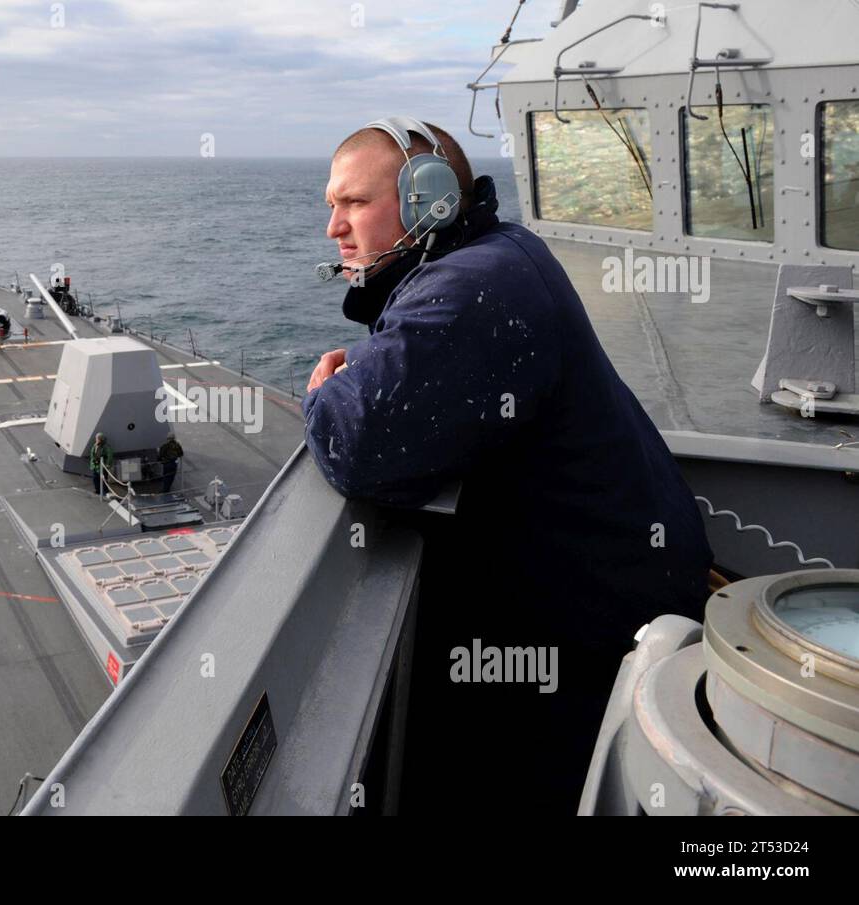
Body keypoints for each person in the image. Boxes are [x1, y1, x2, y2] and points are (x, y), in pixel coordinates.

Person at [304, 116, 714, 813]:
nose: (334, 228)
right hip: (623, 602)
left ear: (426, 199)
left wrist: (322, 394)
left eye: (353, 203)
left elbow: (360, 443)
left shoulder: (471, 287)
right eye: (332, 207)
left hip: (586, 643)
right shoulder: (496, 252)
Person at [88, 432, 113, 498]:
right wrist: (93, 461)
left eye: (97, 438)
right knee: (95, 479)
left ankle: (106, 492)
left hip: (102, 466)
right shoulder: (95, 445)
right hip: (95, 466)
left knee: (103, 480)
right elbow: (92, 453)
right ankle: (98, 490)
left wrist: (107, 464)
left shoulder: (106, 447)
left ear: (101, 439)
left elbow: (109, 455)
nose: (96, 439)